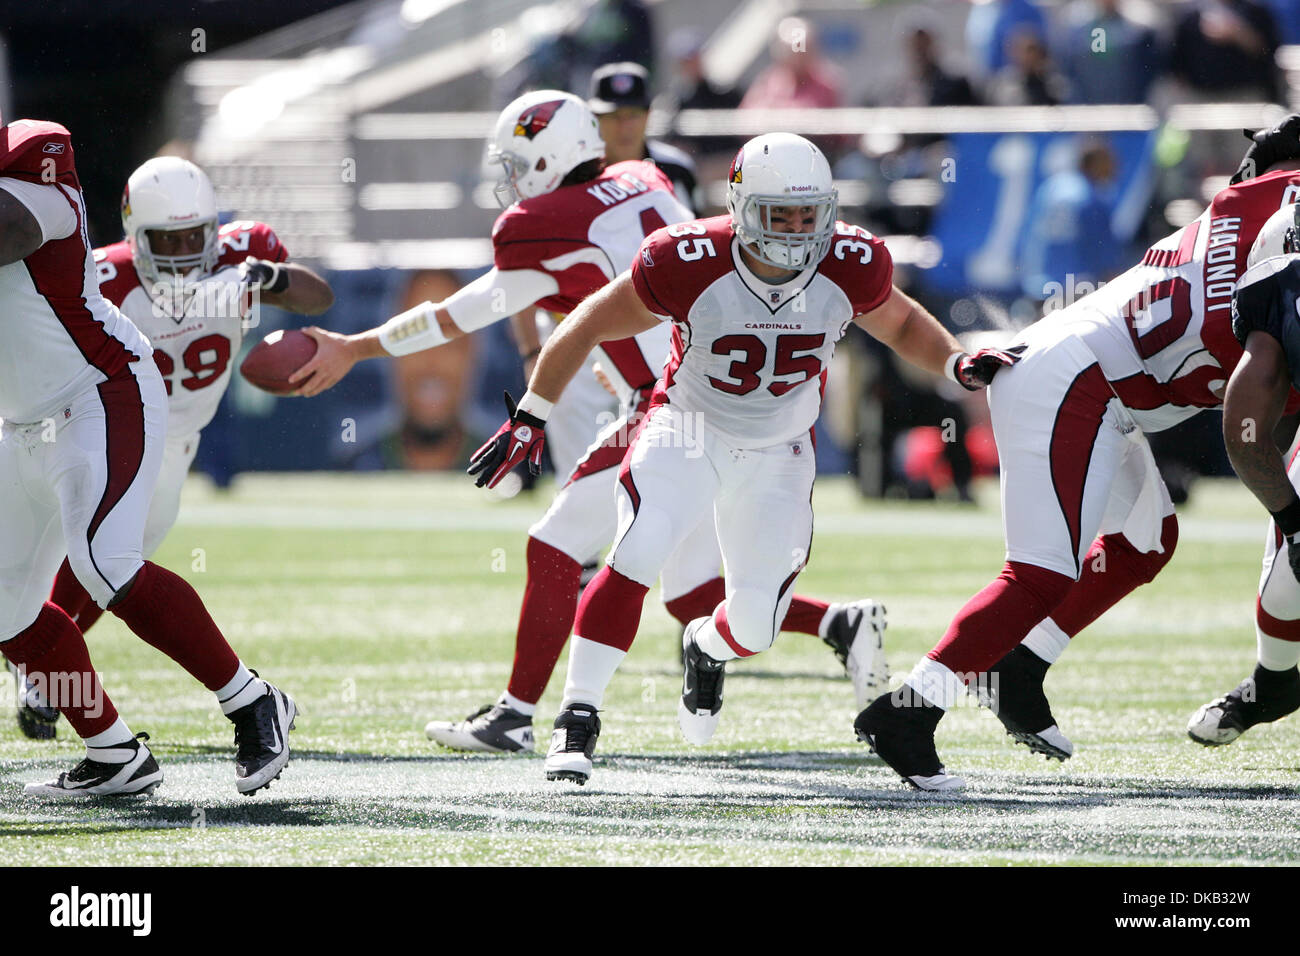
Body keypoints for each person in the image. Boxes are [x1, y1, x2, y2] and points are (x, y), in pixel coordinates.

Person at [292, 96, 888, 754]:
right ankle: (840, 622)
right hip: (722, 398)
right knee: (691, 598)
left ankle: (524, 716)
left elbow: (457, 315)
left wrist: (355, 345)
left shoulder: (545, 223)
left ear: (549, 160)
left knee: (556, 545)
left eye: (519, 165)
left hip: (675, 405)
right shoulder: (643, 177)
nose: (513, 181)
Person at [467, 132, 1020, 785]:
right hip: (686, 429)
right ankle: (576, 720)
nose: (792, 230)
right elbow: (586, 321)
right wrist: (531, 413)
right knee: (639, 547)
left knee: (756, 625)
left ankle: (704, 647)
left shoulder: (850, 258)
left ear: (826, 210)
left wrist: (954, 361)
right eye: (776, 215)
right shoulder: (687, 257)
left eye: (805, 215)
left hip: (779, 453)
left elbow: (898, 323)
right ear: (739, 206)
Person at [856, 115, 1300, 791]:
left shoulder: (1262, 197)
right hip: (1076, 380)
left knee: (1146, 541)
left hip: (1091, 372)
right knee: (1038, 574)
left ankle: (1020, 667)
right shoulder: (1272, 300)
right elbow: (1250, 427)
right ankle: (907, 713)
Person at [0, 118, 297, 797]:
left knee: (105, 561)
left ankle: (252, 701)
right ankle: (115, 755)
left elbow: (8, 234)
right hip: (23, 421)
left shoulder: (35, 165)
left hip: (101, 390)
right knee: (6, 607)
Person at [1185, 202, 1300, 745]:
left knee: (1286, 585)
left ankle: (1274, 679)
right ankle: (1273, 682)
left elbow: (1243, 431)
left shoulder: (1277, 283)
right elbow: (1250, 431)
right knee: (1284, 586)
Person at [589, 61, 698, 213]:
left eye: (633, 115)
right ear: (594, 118)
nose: (624, 125)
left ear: (648, 115)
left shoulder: (676, 169)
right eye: (613, 116)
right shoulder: (580, 172)